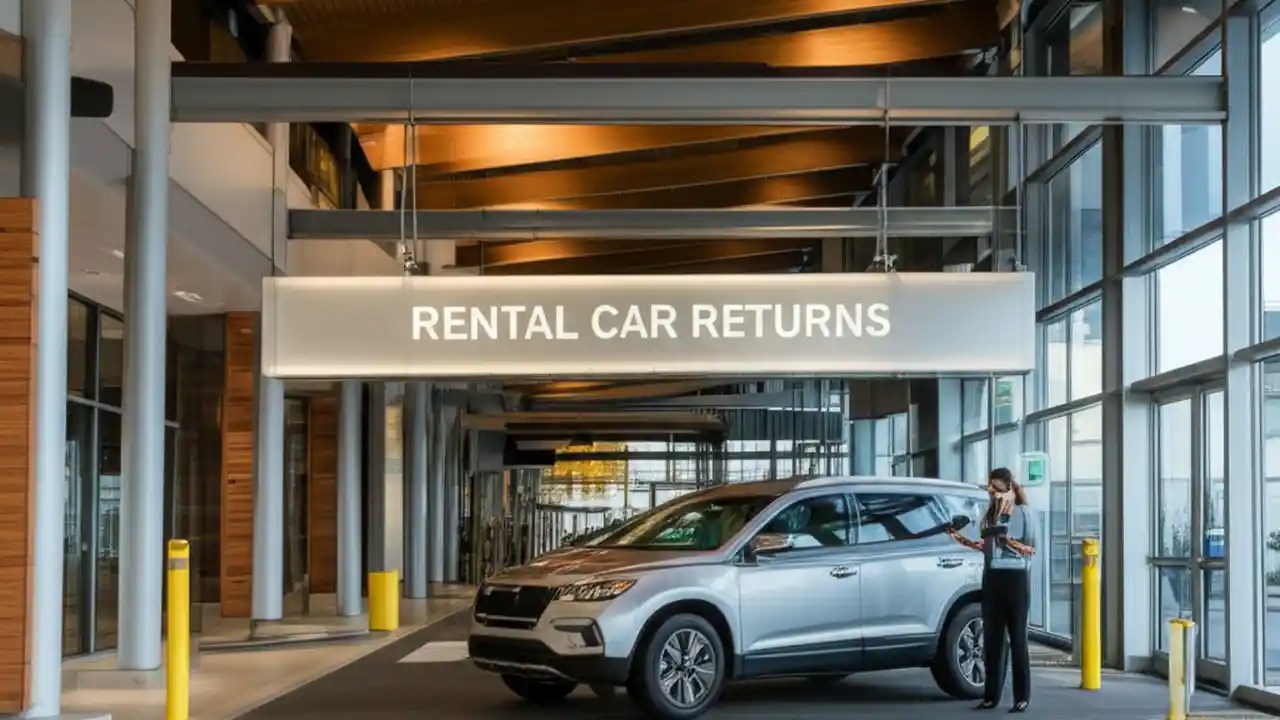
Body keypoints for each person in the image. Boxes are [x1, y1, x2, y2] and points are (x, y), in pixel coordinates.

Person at [947, 467, 1036, 713]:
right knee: (993, 641)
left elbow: (1030, 549)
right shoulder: (989, 515)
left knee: (1017, 639)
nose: (994, 494)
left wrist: (1005, 540)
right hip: (992, 579)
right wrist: (959, 538)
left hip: (1016, 580)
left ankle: (1022, 697)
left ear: (1008, 487)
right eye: (991, 489)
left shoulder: (1023, 513)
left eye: (998, 489)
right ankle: (991, 695)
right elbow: (985, 546)